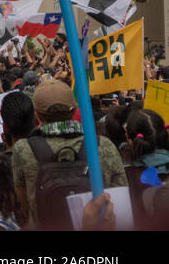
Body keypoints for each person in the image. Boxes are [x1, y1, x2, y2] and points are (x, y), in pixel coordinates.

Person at [10, 79, 126, 229]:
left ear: (37, 116)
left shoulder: (23, 149)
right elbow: (120, 200)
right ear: (74, 110)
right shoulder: (103, 145)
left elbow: (22, 207)